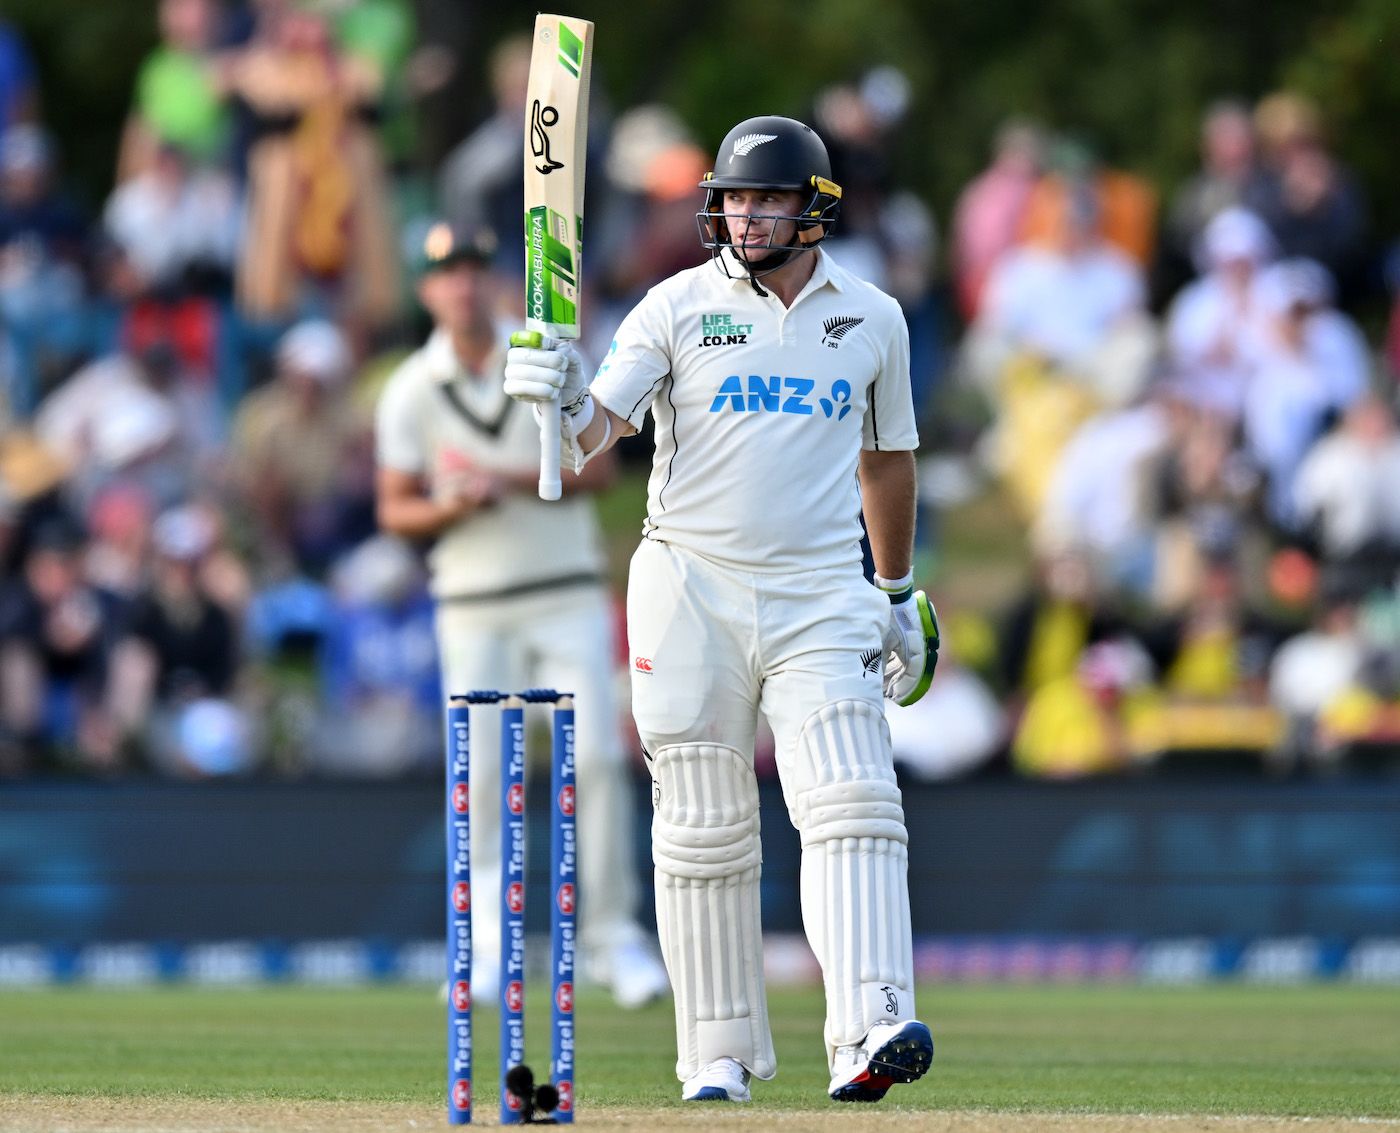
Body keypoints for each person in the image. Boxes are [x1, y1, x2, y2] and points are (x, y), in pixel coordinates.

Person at [503, 115, 940, 1105]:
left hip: (821, 589)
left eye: (767, 198)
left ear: (814, 209)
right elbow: (594, 431)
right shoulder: (674, 306)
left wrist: (895, 588)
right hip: (688, 587)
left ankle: (871, 1024)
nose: (745, 215)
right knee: (702, 826)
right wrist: (555, 397)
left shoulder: (873, 318)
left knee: (853, 798)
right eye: (735, 197)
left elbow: (887, 460)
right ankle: (717, 1055)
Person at [373, 221, 669, 1008]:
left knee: (597, 760)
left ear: (493, 279)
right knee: (481, 776)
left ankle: (613, 936)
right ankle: (487, 944)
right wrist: (449, 505)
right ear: (427, 289)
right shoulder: (411, 387)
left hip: (565, 589)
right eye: (447, 273)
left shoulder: (546, 356)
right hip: (471, 605)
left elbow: (600, 466)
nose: (463, 285)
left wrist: (504, 481)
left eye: (474, 268)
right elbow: (394, 508)